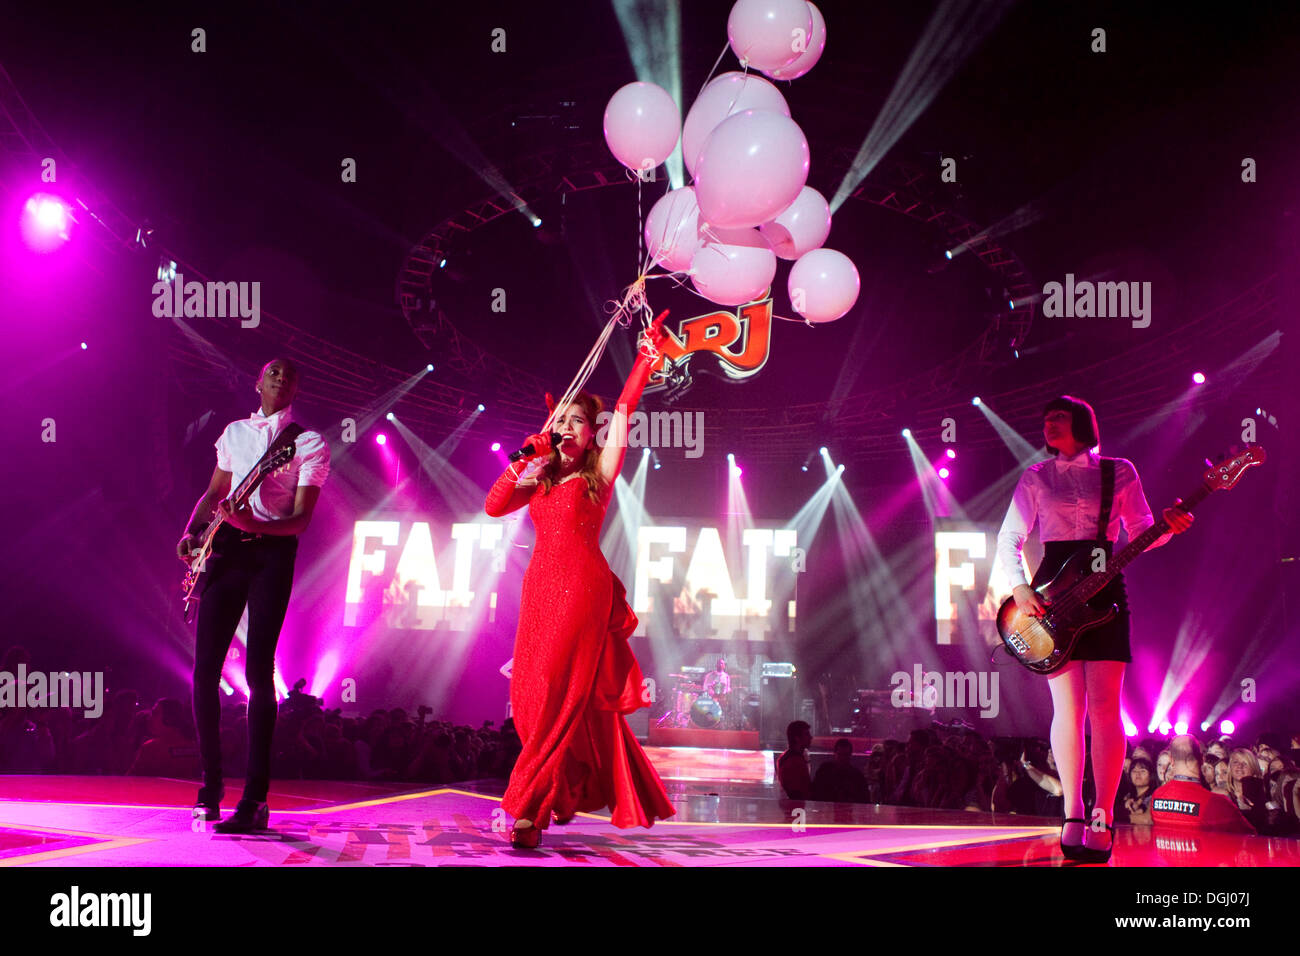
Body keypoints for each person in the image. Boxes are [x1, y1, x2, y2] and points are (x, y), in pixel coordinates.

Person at [485, 317, 675, 848]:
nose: (568, 427)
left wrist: (644, 359)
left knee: (555, 693)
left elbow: (625, 410)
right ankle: (558, 789)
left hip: (582, 591)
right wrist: (524, 458)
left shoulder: (598, 475)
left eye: (578, 421)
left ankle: (527, 809)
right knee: (528, 699)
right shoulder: (540, 478)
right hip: (538, 591)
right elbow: (493, 506)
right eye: (561, 420)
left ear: (592, 433)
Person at [997, 396, 1193, 862]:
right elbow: (1010, 537)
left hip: (1105, 590)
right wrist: (1020, 589)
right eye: (1045, 418)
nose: (1048, 424)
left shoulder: (1119, 471)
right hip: (1050, 592)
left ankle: (1103, 814)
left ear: (1082, 423)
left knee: (1105, 708)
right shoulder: (1036, 476)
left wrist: (1169, 528)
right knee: (1067, 708)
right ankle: (1073, 812)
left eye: (1058, 417)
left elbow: (1142, 530)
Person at [177, 357, 330, 832]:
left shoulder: (308, 443)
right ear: (259, 382)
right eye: (274, 372)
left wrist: (253, 524)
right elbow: (214, 493)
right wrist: (192, 531)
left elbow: (300, 520)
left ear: (296, 389)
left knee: (259, 671)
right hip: (226, 550)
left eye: (291, 375)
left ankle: (256, 800)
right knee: (204, 671)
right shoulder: (234, 433)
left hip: (271, 554)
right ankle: (210, 786)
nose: (282, 378)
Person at [1150, 735, 1254, 833]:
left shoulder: (1157, 796)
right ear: (1202, 758)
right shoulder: (1217, 802)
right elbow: (1251, 836)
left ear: (1171, 760)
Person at [812, 738, 870, 803]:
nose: (843, 758)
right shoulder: (857, 775)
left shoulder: (824, 770)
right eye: (840, 754)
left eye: (845, 755)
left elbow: (815, 792)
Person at [778, 721, 814, 799]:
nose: (811, 737)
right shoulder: (794, 762)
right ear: (797, 738)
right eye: (807, 734)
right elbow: (800, 792)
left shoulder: (787, 757)